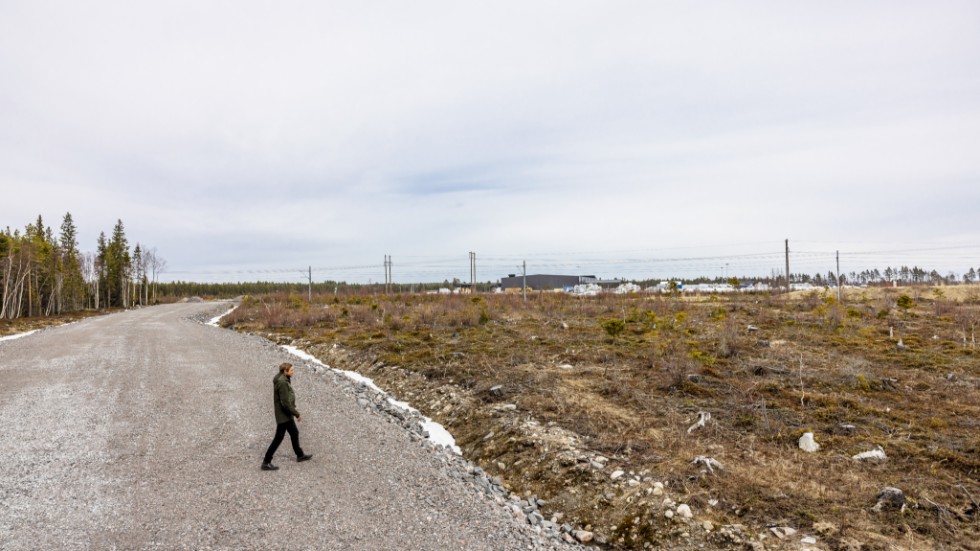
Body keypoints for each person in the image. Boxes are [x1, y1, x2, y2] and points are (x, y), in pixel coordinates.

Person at [262, 362, 313, 471]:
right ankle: (266, 461)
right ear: (285, 372)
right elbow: (285, 402)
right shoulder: (282, 383)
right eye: (291, 370)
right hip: (283, 415)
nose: (293, 372)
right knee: (278, 438)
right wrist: (296, 414)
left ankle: (300, 455)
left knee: (294, 432)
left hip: (285, 414)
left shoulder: (282, 378)